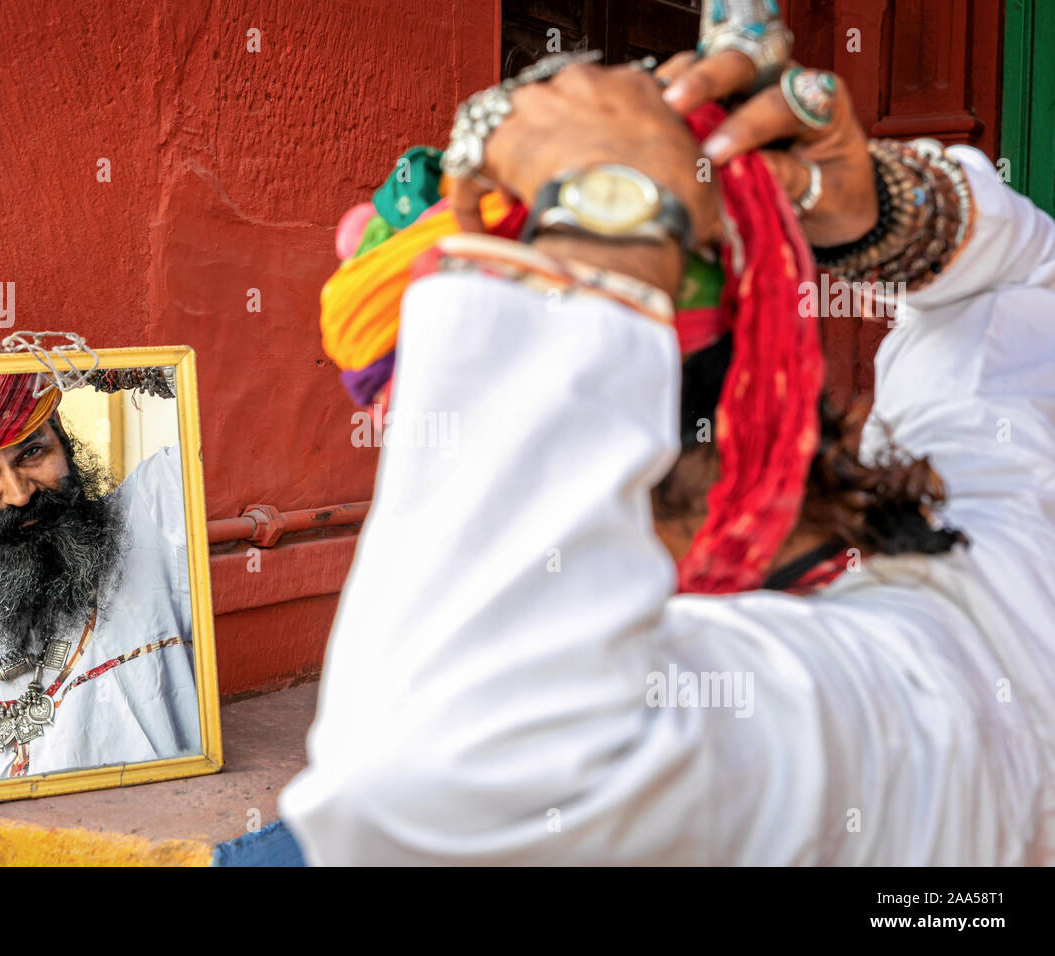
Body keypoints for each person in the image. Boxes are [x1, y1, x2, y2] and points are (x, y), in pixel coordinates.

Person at [278, 48, 1055, 864]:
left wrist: (608, 222)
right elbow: (1022, 293)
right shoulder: (997, 526)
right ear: (772, 359)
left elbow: (427, 776)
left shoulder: (789, 722)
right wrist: (867, 207)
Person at [0, 372, 200, 783]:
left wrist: (107, 367)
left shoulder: (152, 517)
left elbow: (232, 406)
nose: (20, 494)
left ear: (63, 440)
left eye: (32, 453)